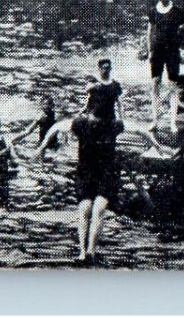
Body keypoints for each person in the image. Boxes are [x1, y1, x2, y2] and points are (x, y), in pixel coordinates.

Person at [35, 110, 123, 263]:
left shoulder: (112, 125)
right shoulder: (81, 124)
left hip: (106, 175)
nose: (96, 120)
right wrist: (42, 147)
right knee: (85, 208)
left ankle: (91, 251)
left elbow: (140, 130)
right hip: (86, 174)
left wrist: (155, 143)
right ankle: (82, 251)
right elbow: (56, 127)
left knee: (99, 209)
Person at [145, 0, 184, 132]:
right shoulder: (153, 11)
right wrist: (149, 50)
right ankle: (155, 120)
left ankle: (173, 122)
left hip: (173, 51)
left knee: (173, 85)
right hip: (157, 51)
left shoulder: (177, 11)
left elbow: (183, 32)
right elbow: (149, 32)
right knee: (155, 83)